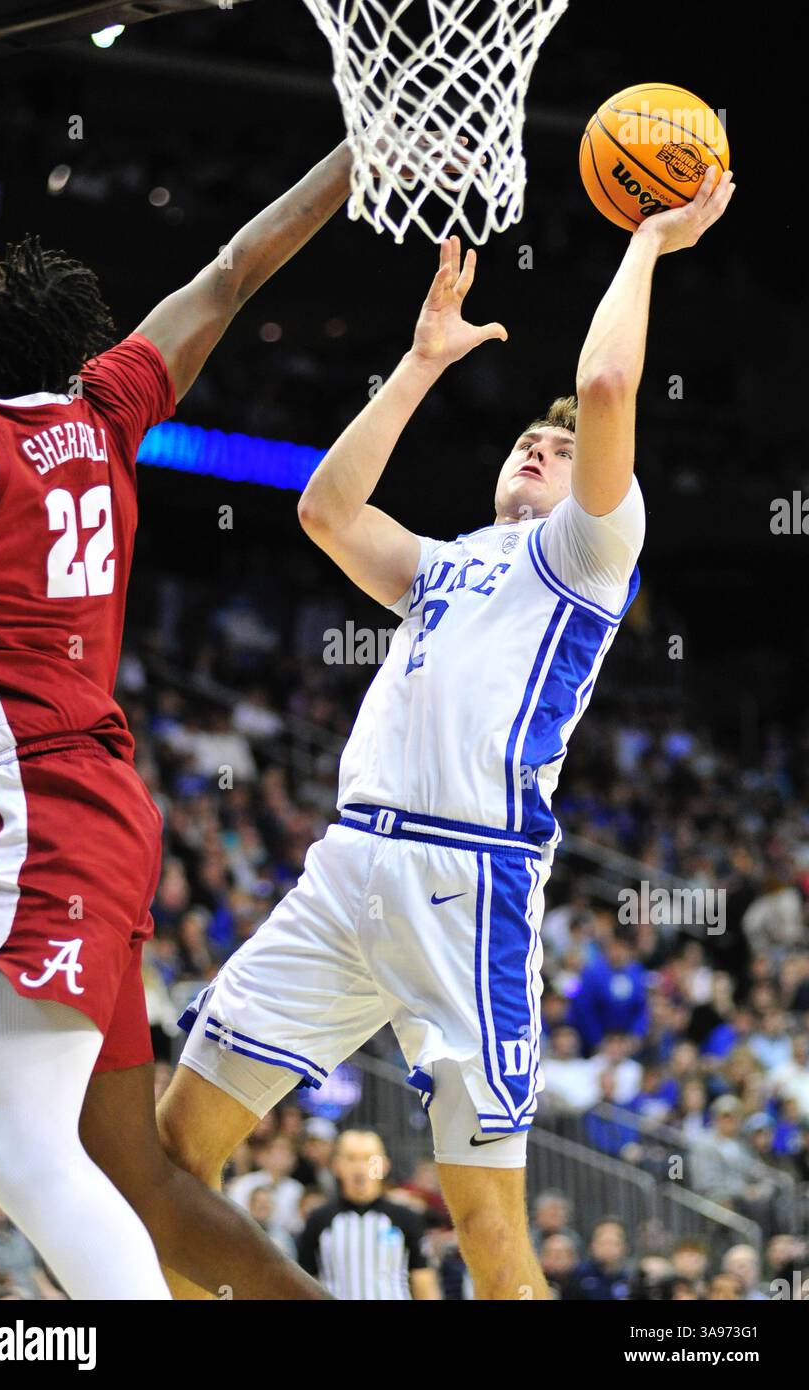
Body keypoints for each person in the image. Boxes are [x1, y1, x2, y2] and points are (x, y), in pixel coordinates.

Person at [161, 169, 736, 1300]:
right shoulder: (447, 563)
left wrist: (651, 244)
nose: (537, 446)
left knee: (489, 1236)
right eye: (525, 439)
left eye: (557, 448)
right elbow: (324, 510)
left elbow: (609, 376)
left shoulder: (584, 553)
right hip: (346, 868)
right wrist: (421, 363)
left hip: (467, 882)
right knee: (172, 1150)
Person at [0, 139, 360, 1300]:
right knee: (130, 1173)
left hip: (36, 813)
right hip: (106, 815)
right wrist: (354, 156)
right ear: (78, 354)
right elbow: (231, 271)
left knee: (21, 1154)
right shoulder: (109, 408)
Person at [296, 1130, 439, 1300]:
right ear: (336, 1165)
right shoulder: (318, 1220)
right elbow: (305, 1283)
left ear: (384, 1166)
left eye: (368, 1158)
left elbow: (423, 1281)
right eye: (351, 1158)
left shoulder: (406, 1218)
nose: (360, 1167)